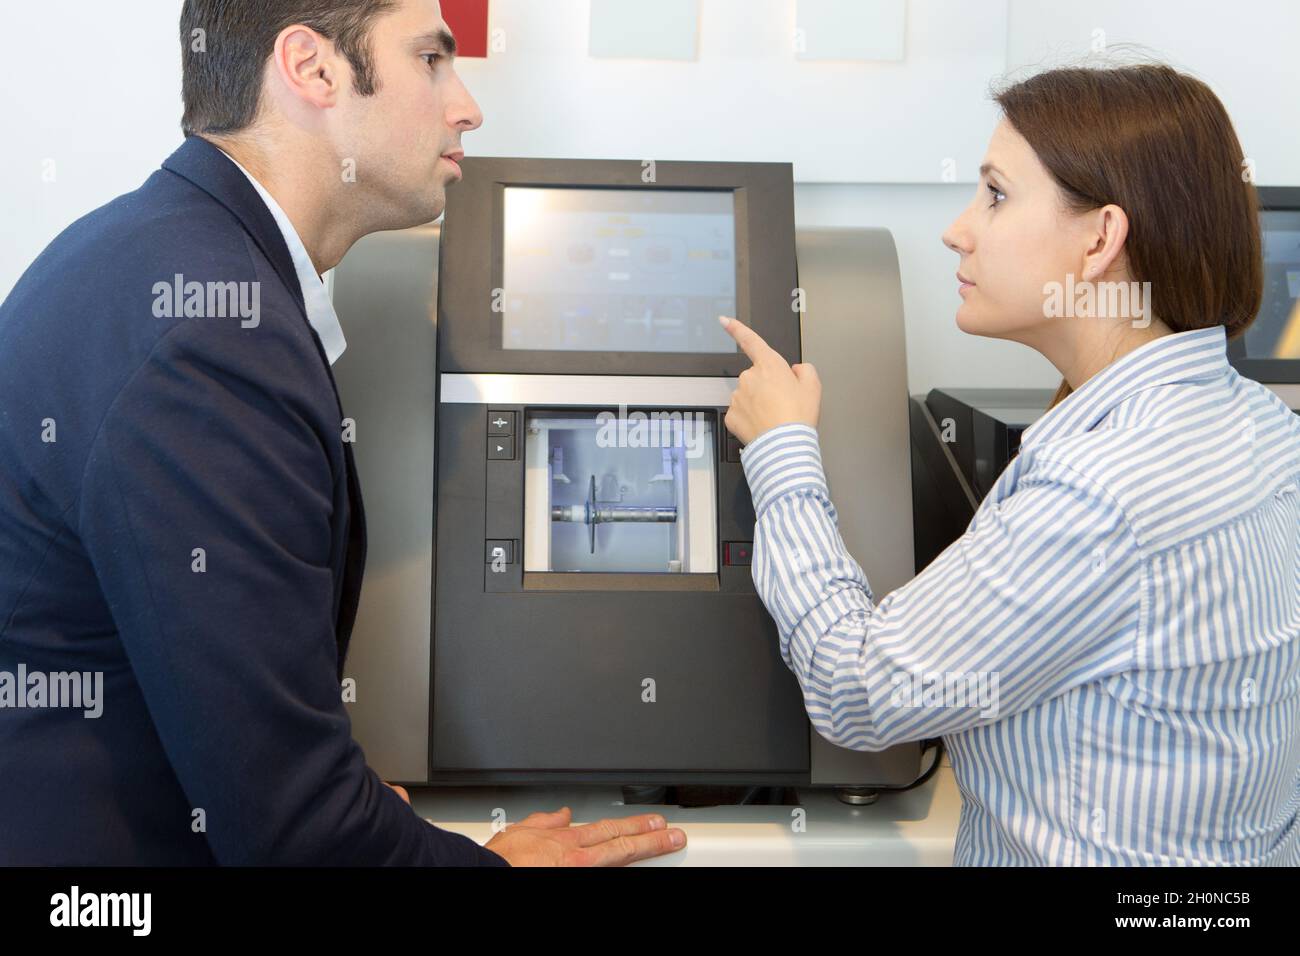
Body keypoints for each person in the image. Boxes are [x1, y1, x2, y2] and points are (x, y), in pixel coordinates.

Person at [0, 0, 685, 866]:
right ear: (313, 69)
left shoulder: (172, 260)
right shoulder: (212, 338)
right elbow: (294, 837)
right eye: (432, 60)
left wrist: (338, 797)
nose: (466, 103)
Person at [720, 63, 1300, 865]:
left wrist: (782, 449)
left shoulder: (1101, 493)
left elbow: (857, 691)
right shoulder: (1263, 426)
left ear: (1100, 239)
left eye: (994, 194)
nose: (958, 230)